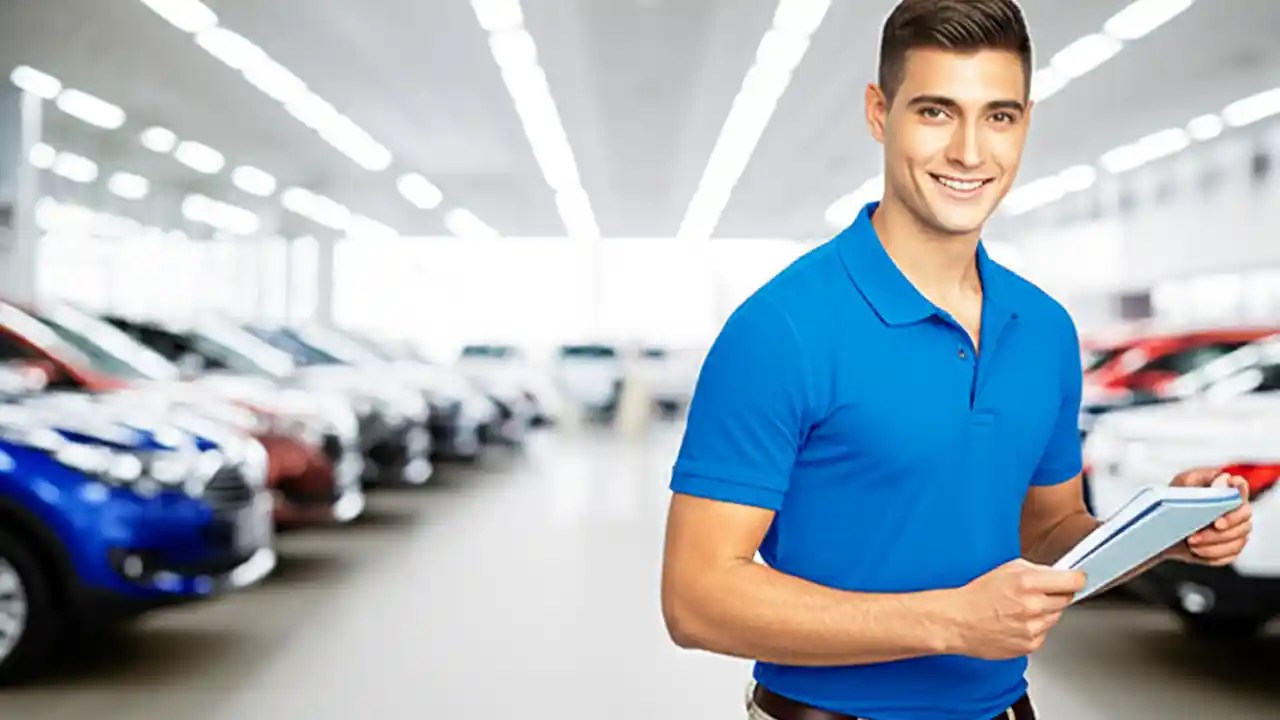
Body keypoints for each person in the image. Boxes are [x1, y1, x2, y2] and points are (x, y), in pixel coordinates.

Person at [659, 1, 1255, 718]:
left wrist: (1157, 539)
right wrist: (951, 621)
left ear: (1025, 123)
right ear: (880, 113)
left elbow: (1046, 533)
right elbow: (695, 598)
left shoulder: (1044, 329)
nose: (970, 152)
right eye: (937, 112)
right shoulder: (782, 328)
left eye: (998, 116)